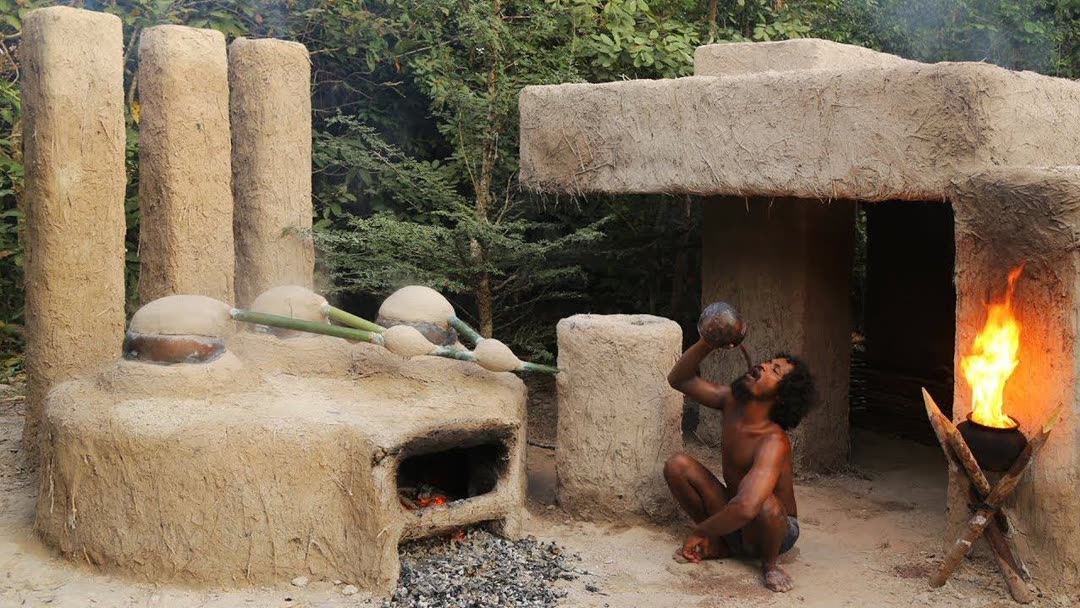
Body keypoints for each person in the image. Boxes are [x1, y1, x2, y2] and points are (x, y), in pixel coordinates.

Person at [664, 336, 815, 593]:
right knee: (677, 465)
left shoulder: (774, 441)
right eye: (768, 362)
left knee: (765, 504)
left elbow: (748, 507)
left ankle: (769, 565)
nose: (764, 366)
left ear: (781, 397)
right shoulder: (732, 401)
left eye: (774, 370)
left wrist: (700, 530)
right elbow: (679, 380)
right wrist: (709, 341)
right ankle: (722, 541)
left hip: (775, 528)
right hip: (738, 510)